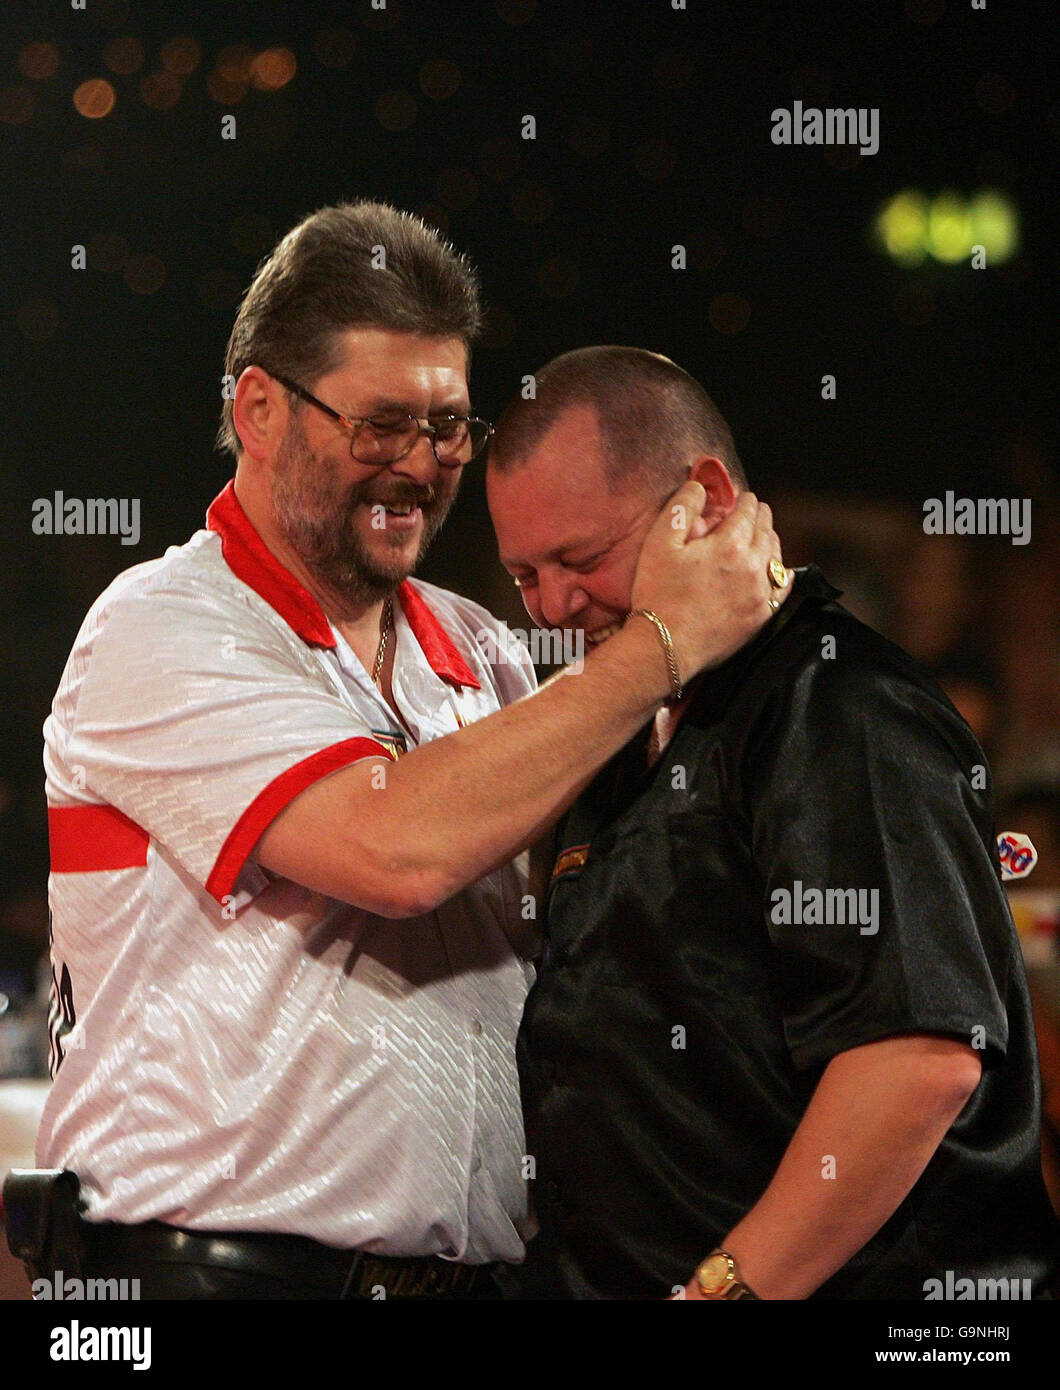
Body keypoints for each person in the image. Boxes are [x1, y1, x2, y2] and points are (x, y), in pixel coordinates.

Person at [22, 205, 786, 1299]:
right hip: (212, 1276)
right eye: (381, 426)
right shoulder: (161, 627)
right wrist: (667, 641)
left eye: (448, 428)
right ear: (259, 411)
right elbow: (396, 849)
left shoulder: (482, 650)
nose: (421, 467)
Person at [486, 344, 1060, 1300]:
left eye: (581, 559)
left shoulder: (841, 705)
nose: (555, 606)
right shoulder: (621, 732)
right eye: (525, 577)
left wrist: (724, 1294)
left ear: (704, 498)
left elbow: (915, 1061)